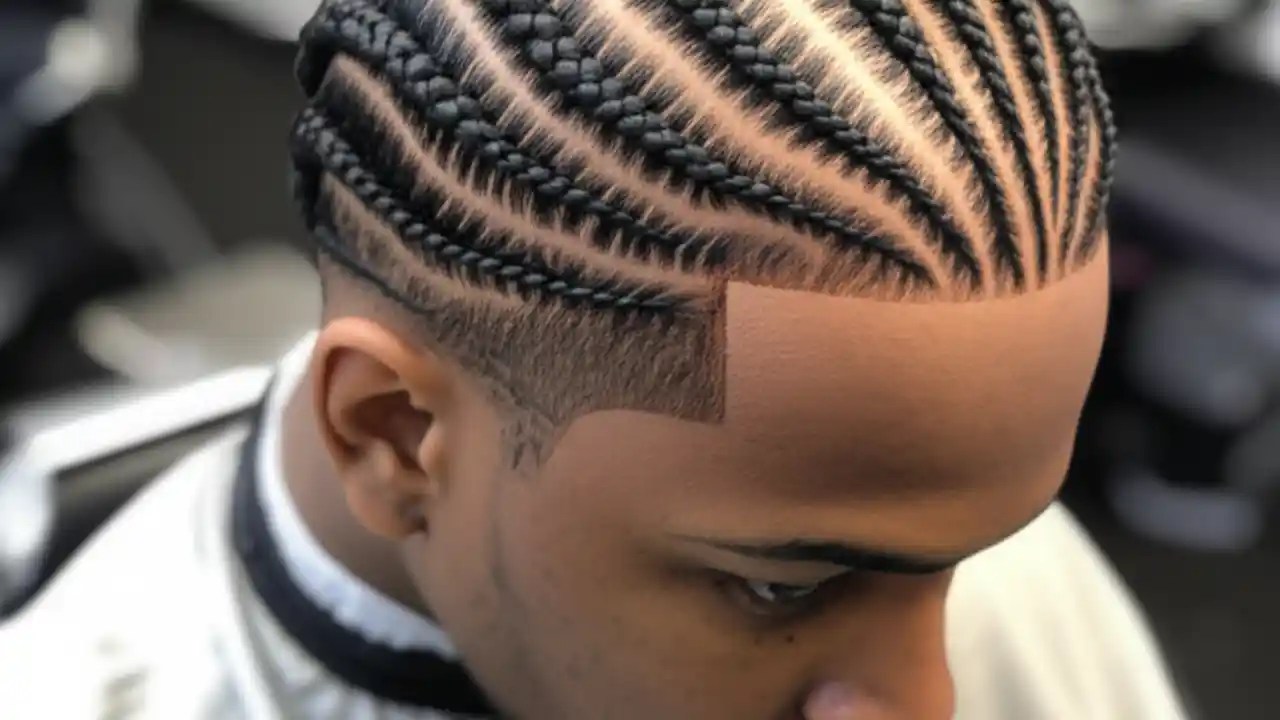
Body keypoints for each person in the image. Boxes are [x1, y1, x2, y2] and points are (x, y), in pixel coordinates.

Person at [0, 0, 1188, 718]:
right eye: (782, 589)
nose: (930, 698)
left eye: (988, 546)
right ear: (394, 436)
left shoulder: (923, 532)